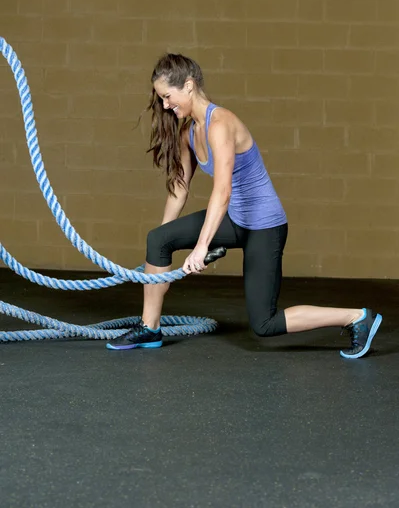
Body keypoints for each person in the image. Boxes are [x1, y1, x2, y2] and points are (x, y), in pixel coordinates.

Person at [106, 54, 382, 359]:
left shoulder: (220, 123)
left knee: (264, 323)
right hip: (236, 219)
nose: (167, 105)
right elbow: (180, 188)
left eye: (168, 97)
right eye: (162, 99)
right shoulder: (188, 132)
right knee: (158, 239)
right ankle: (150, 327)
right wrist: (165, 235)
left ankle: (357, 317)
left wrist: (201, 247)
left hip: (264, 226)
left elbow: (222, 191)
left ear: (188, 85)